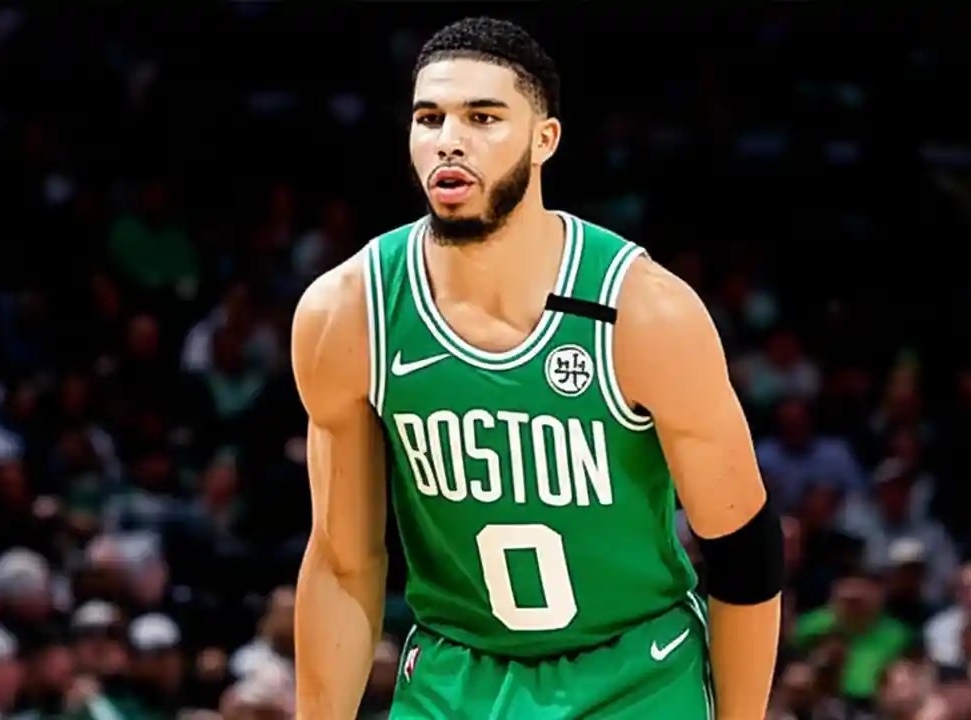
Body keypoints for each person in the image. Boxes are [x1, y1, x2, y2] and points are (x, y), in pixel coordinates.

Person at [290, 16, 782, 720]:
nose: (449, 139)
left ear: (544, 139)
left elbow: (745, 552)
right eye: (429, 118)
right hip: (452, 677)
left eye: (483, 117)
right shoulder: (347, 313)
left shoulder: (645, 313)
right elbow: (344, 562)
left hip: (635, 674)